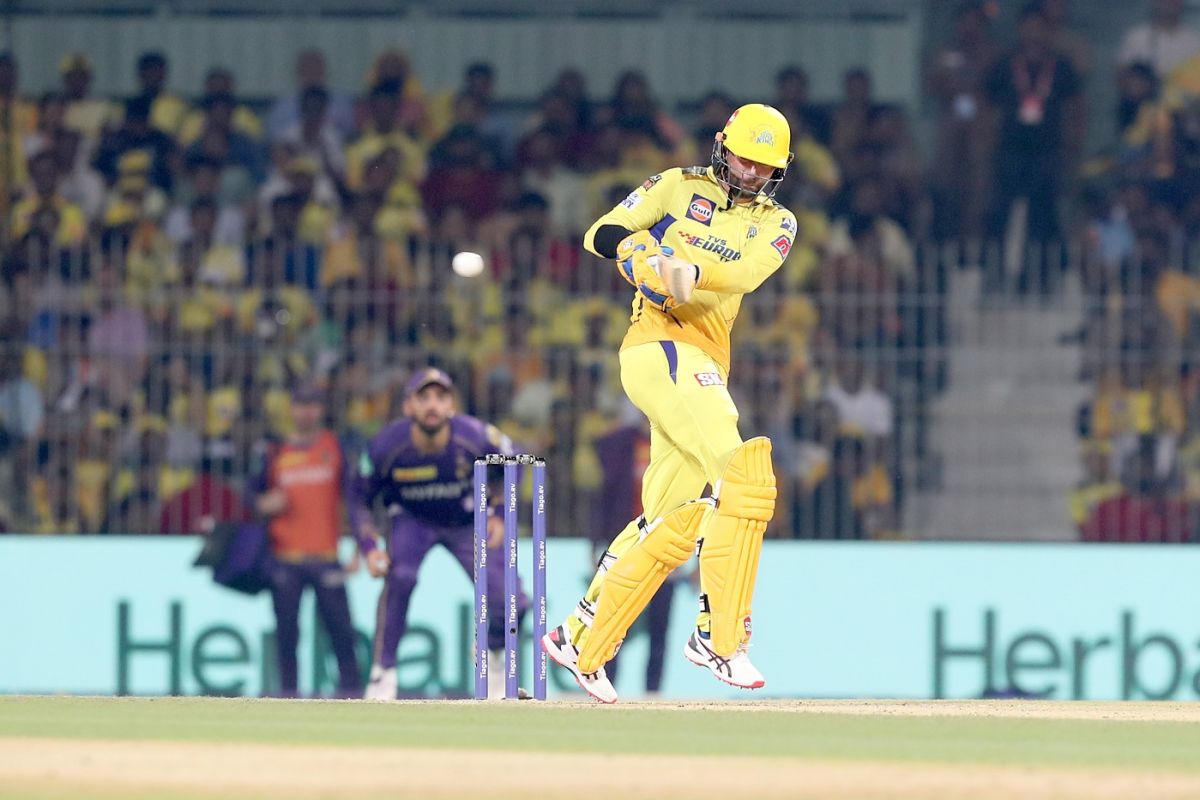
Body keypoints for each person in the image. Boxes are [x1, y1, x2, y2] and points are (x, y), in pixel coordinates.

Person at [541, 103, 798, 703]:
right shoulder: (676, 186)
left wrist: (682, 264)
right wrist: (639, 257)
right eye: (743, 158)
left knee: (673, 522)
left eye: (765, 167)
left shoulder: (778, 223)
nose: (752, 174)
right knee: (745, 477)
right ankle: (721, 638)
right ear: (720, 146)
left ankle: (581, 638)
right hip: (659, 349)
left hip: (705, 362)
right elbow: (599, 232)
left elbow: (745, 278)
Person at [350, 367, 525, 700]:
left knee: (512, 598)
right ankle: (382, 673)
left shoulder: (475, 435)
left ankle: (495, 657)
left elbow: (513, 464)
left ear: (452, 407)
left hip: (468, 520)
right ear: (408, 407)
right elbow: (358, 495)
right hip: (411, 519)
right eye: (423, 397)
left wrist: (501, 513)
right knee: (399, 578)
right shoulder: (387, 446)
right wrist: (370, 546)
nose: (432, 405)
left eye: (441, 397)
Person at [249, 383, 362, 698]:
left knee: (342, 633)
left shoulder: (335, 447)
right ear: (291, 408)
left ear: (321, 410)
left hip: (326, 554)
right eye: (301, 404)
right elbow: (249, 497)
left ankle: (352, 695)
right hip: (285, 558)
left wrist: (359, 545)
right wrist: (262, 504)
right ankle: (288, 697)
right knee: (287, 636)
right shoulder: (275, 452)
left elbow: (353, 498)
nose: (307, 412)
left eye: (313, 405)